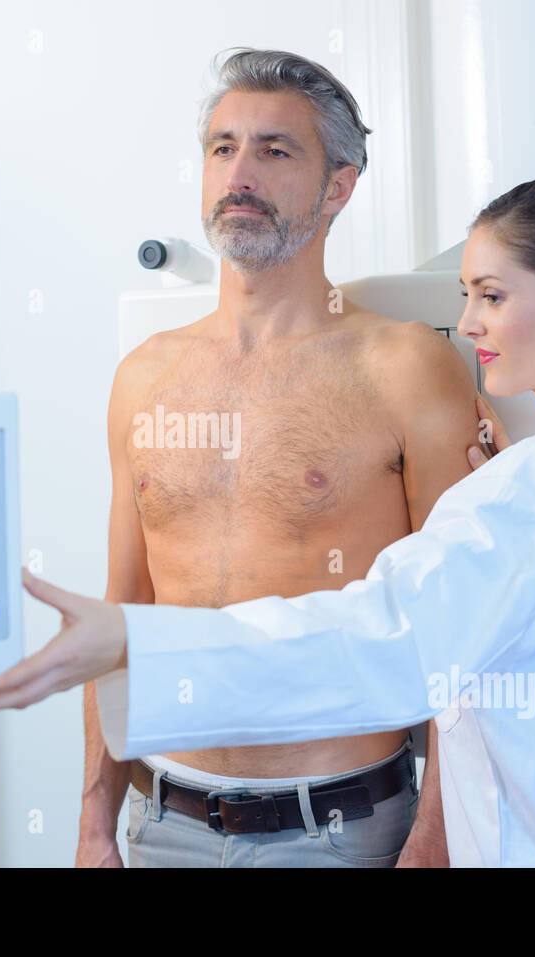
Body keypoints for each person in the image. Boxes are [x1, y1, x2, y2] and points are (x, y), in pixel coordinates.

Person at [0, 174, 535, 866]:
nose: (466, 323)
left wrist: (139, 642)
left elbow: (376, 643)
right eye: (466, 293)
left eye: (493, 296)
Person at [82, 47, 479, 869]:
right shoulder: (143, 376)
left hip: (343, 829)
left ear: (338, 187)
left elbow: (459, 623)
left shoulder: (404, 368)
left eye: (274, 149)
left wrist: (438, 834)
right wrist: (93, 826)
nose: (239, 173)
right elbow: (122, 614)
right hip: (164, 823)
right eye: (222, 147)